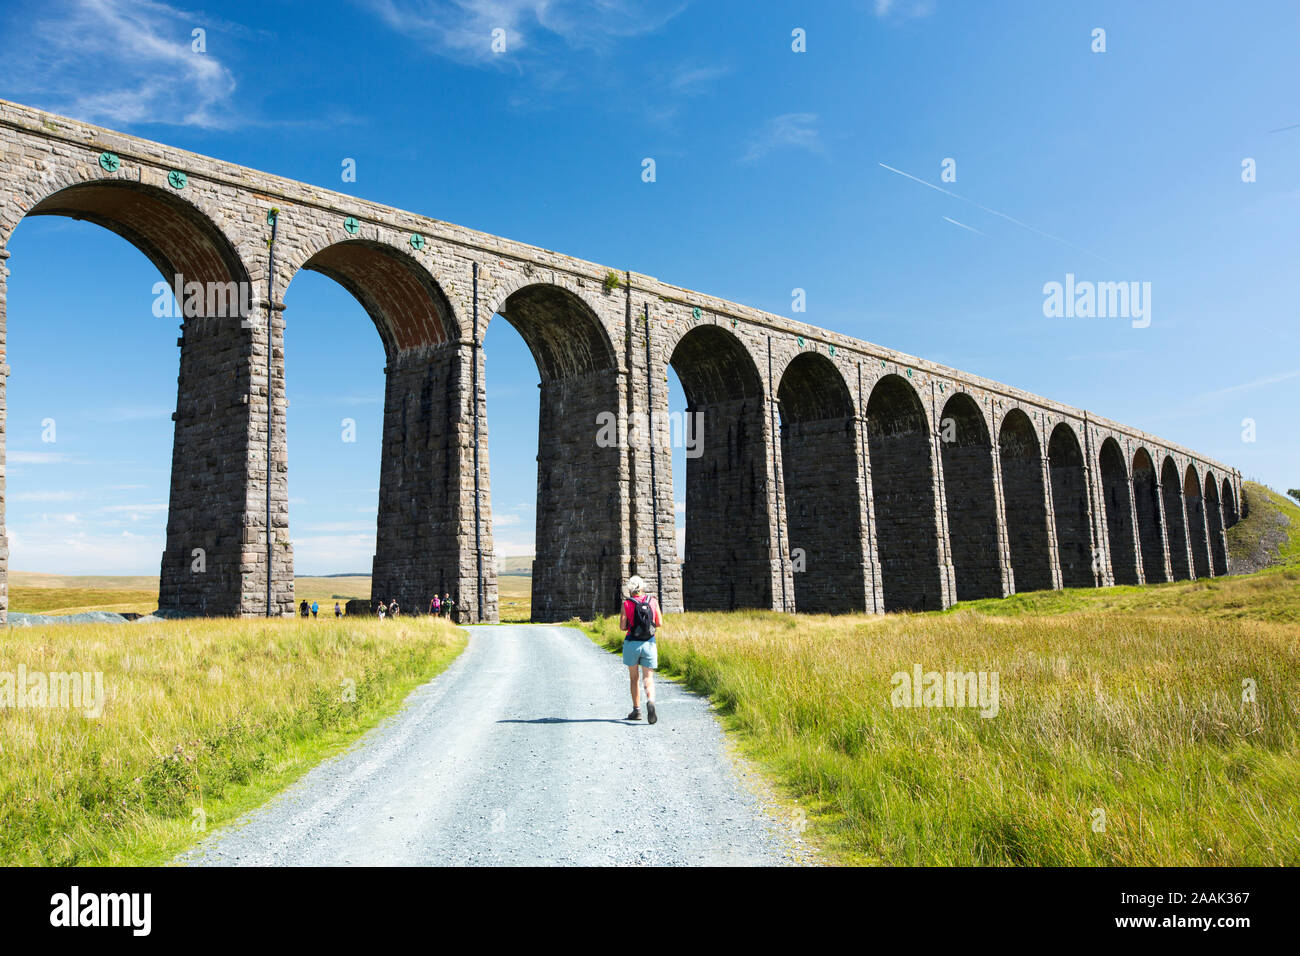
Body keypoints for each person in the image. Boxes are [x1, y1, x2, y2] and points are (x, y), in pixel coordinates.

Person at [619, 576, 663, 724]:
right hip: (649, 643)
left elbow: (622, 627)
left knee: (634, 678)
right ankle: (650, 701)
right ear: (642, 587)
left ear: (630, 589)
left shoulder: (626, 604)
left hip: (632, 643)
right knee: (648, 678)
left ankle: (636, 710)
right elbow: (659, 623)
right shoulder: (653, 601)